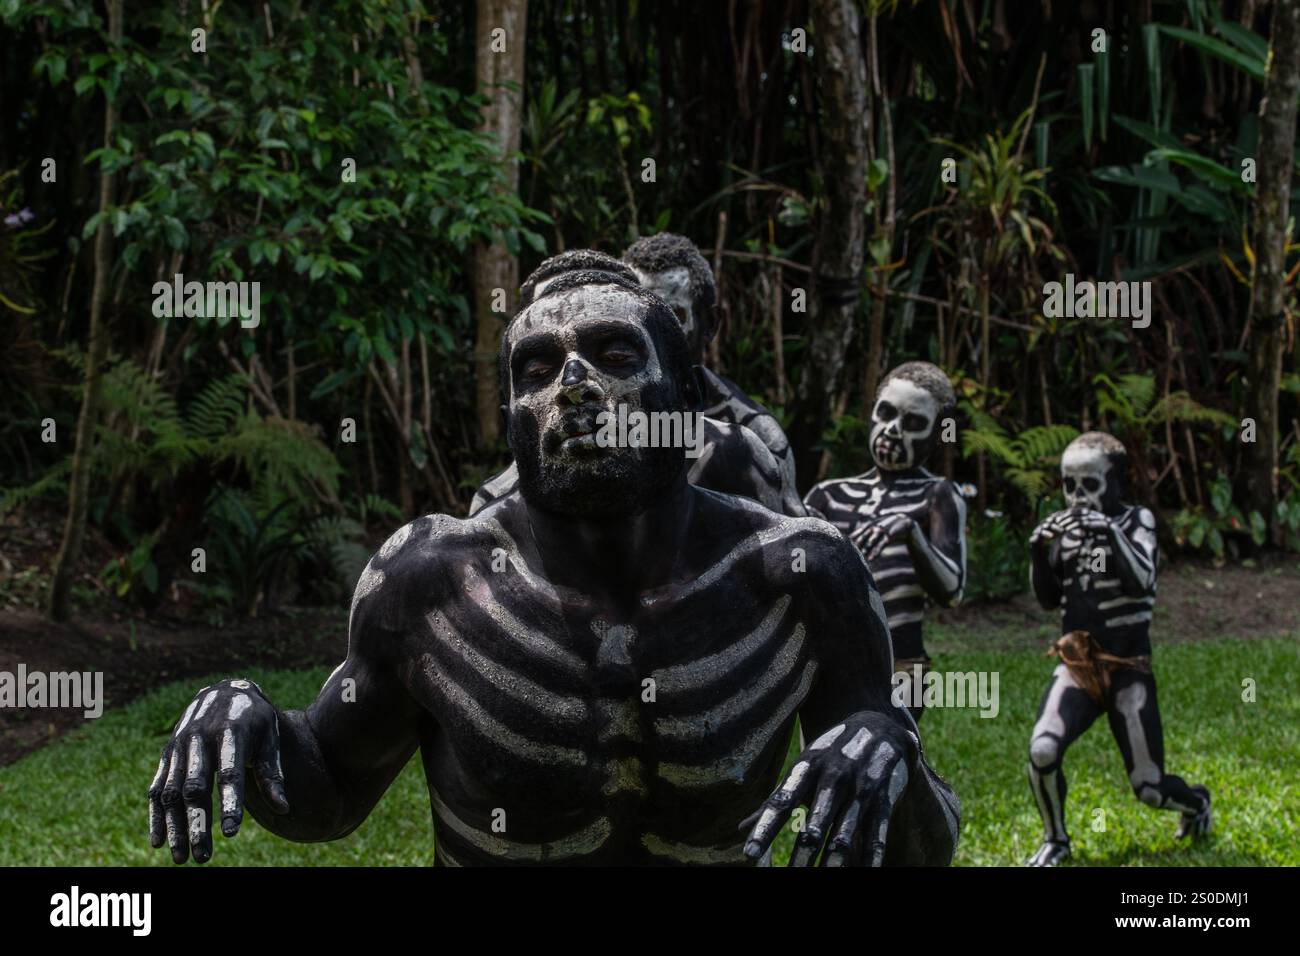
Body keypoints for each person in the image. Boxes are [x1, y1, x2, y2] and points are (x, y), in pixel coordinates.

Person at [147, 270, 959, 866]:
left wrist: (894, 747)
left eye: (613, 355)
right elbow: (326, 788)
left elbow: (920, 846)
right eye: (537, 368)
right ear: (511, 422)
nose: (574, 386)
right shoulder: (429, 583)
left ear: (683, 399)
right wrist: (244, 718)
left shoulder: (802, 578)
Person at [1025, 431, 1211, 867]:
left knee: (1149, 789)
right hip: (1077, 666)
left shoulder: (1136, 521)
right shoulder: (1068, 536)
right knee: (1042, 750)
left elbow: (1143, 579)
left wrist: (1107, 530)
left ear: (1117, 481)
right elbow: (1050, 599)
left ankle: (1197, 803)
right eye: (1069, 486)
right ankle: (1056, 839)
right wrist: (1038, 551)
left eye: (1089, 485)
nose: (1077, 497)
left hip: (1129, 670)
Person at [804, 362, 967, 722]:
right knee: (820, 764)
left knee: (877, 762)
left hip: (902, 667)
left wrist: (910, 532)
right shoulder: (827, 496)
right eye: (886, 413)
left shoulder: (936, 495)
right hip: (827, 662)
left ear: (937, 433)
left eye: (913, 423)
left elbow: (953, 590)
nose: (893, 430)